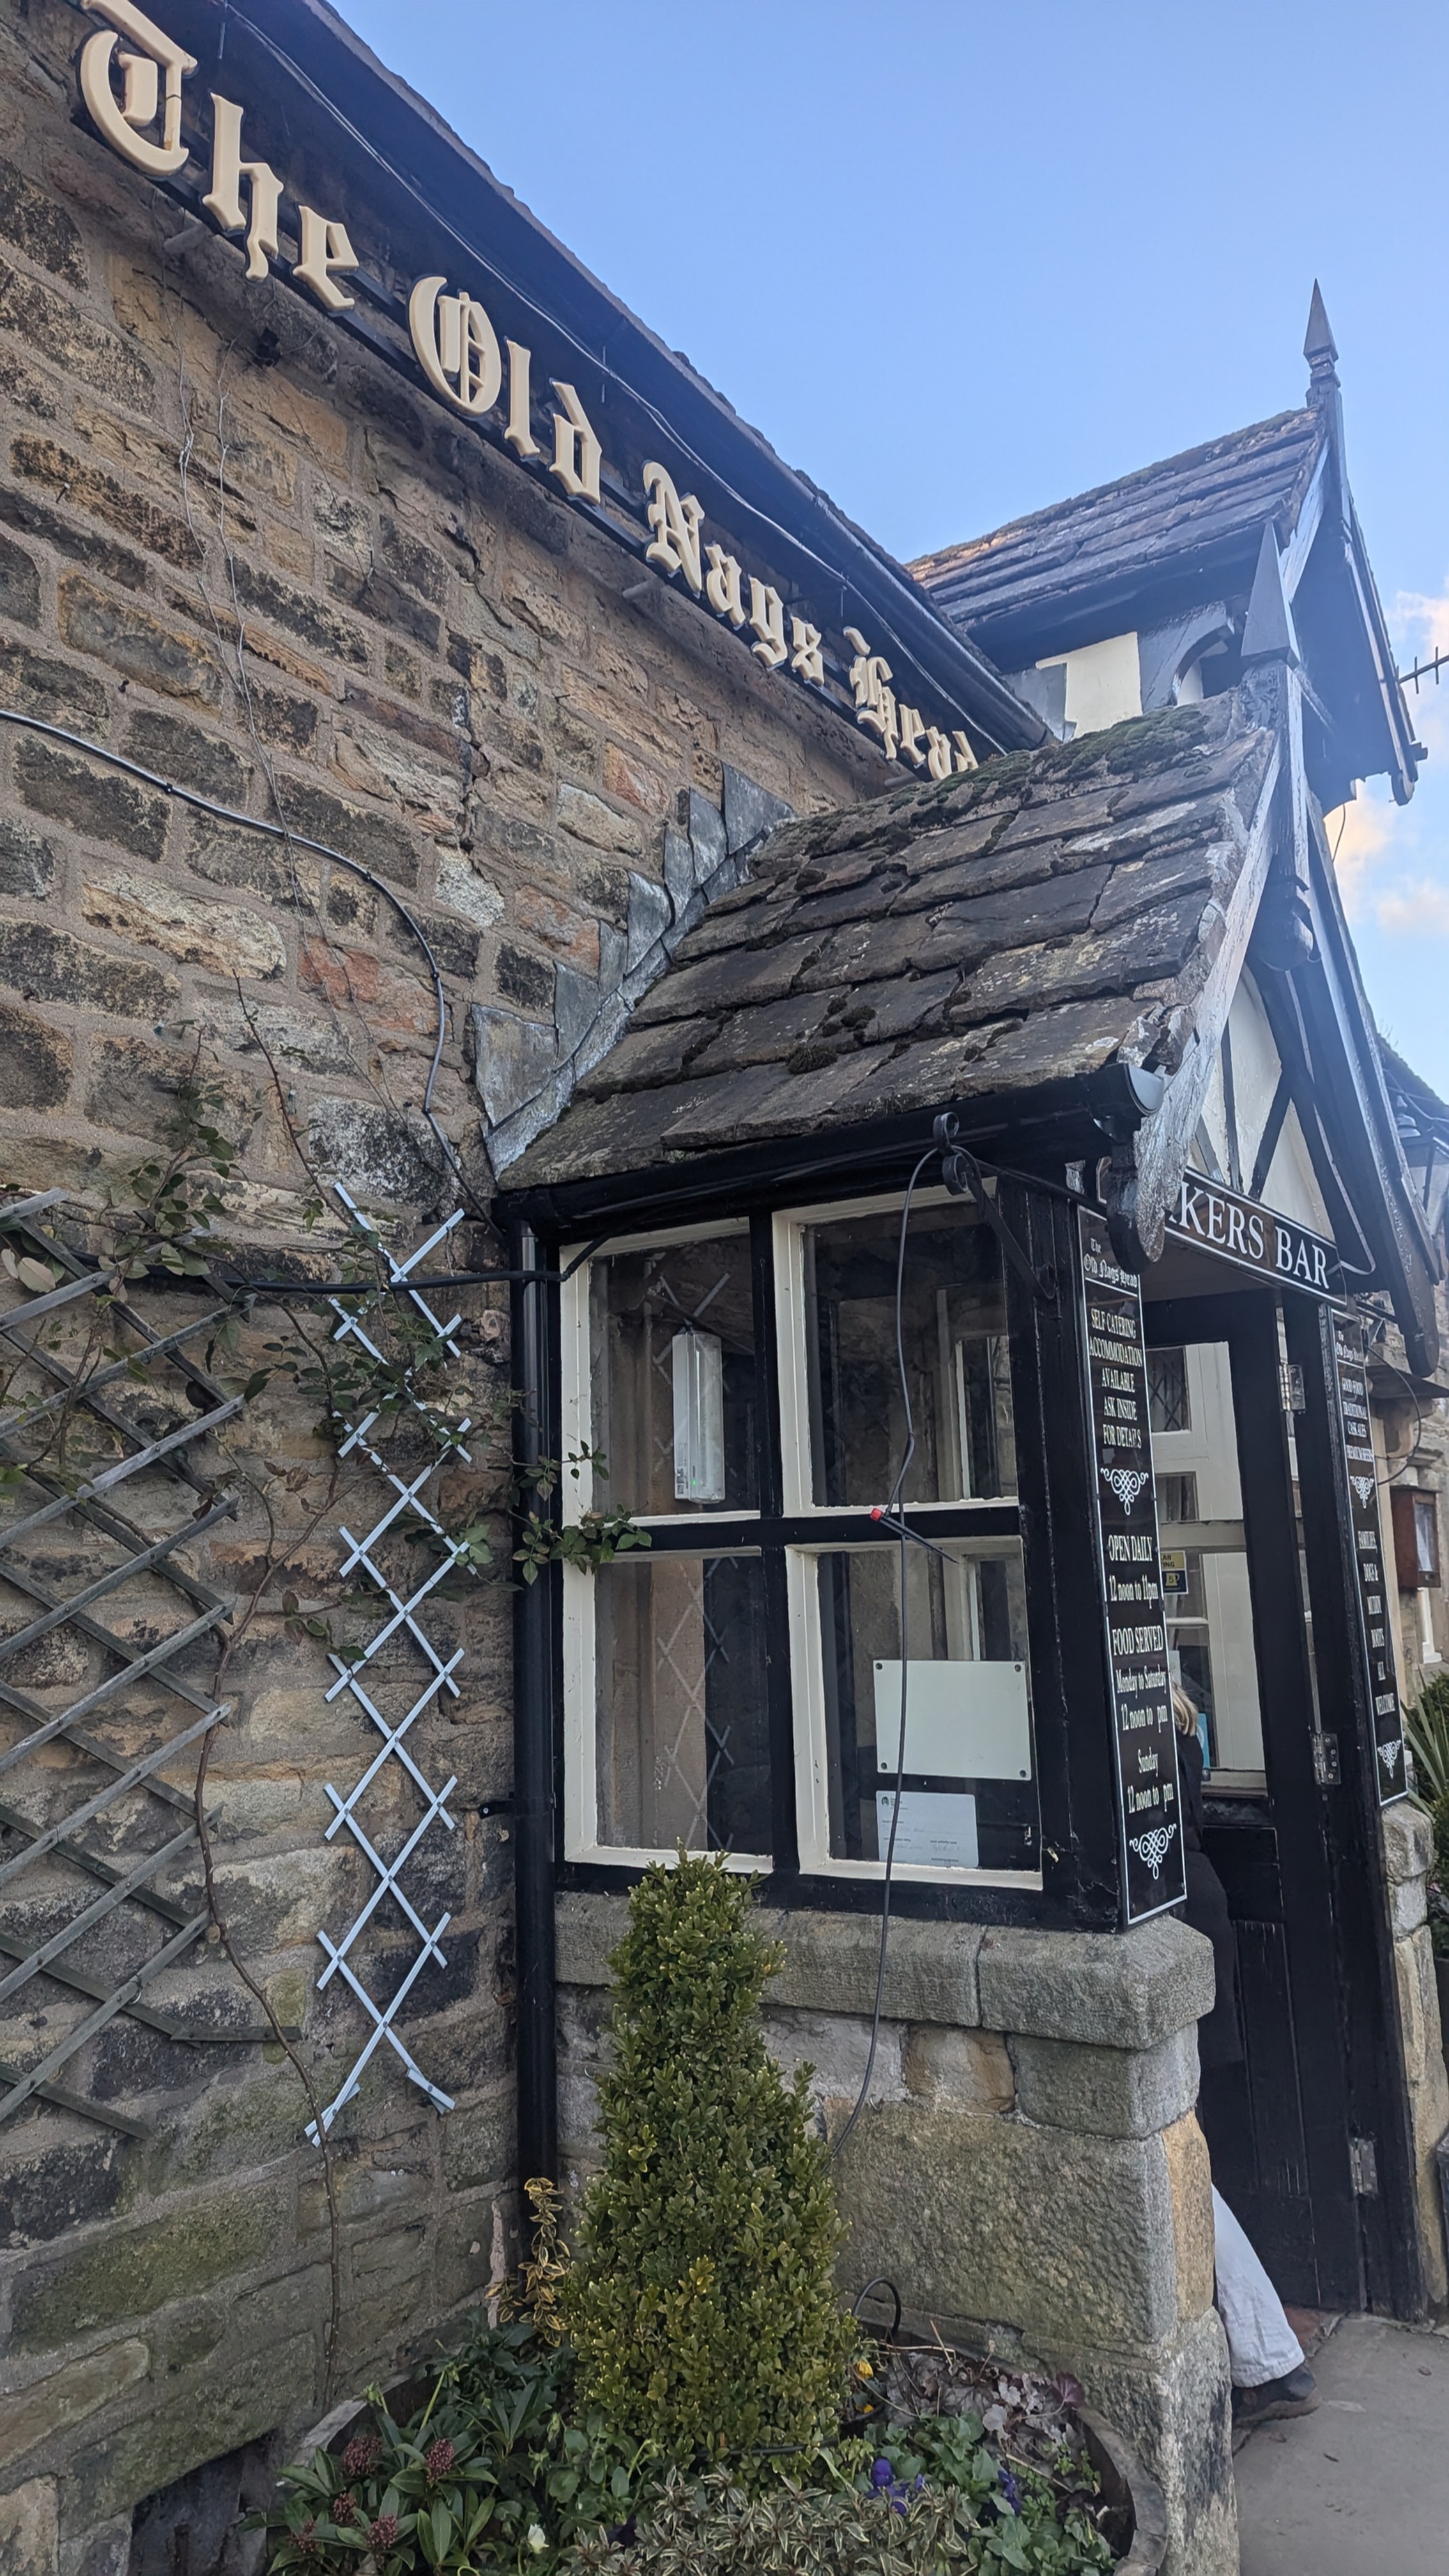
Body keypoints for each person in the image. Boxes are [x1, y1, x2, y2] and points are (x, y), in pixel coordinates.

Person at [1174, 1683, 1321, 2425]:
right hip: (1201, 1907)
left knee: (1178, 2159)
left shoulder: (1120, 1722)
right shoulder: (1185, 1712)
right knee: (1183, 2152)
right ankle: (1256, 2353)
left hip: (1169, 1920)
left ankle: (1268, 2359)